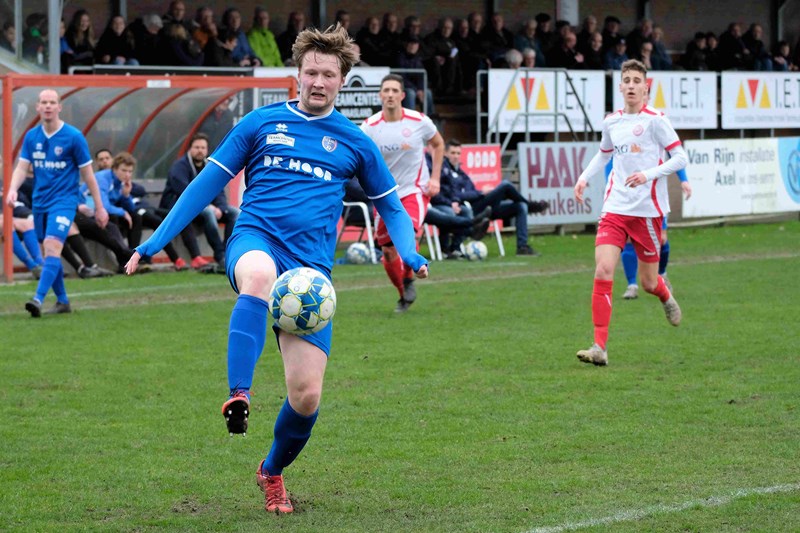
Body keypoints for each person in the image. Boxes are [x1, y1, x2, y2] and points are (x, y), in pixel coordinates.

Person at [125, 24, 428, 514]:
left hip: (310, 274)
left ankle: (271, 471)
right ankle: (238, 395)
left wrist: (410, 254)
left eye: (328, 74)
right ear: (298, 74)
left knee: (306, 396)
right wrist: (155, 241)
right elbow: (203, 187)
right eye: (310, 72)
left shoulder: (355, 141)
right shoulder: (260, 124)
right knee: (260, 278)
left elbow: (391, 207)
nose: (318, 81)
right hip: (255, 241)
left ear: (342, 81)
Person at [572, 59, 687, 366]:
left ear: (646, 87)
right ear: (620, 87)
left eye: (638, 80)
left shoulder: (656, 121)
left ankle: (665, 294)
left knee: (648, 282)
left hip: (647, 212)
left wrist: (648, 175)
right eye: (627, 80)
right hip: (615, 207)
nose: (632, 85)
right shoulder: (611, 122)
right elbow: (603, 154)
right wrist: (584, 177)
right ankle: (600, 346)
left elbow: (680, 157)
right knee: (603, 270)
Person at [5, 89, 109, 316]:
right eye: (44, 102)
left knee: (52, 248)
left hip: (64, 201)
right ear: (38, 107)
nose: (48, 106)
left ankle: (37, 299)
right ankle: (63, 301)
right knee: (49, 253)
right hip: (40, 202)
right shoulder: (32, 137)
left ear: (59, 107)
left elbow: (89, 175)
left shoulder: (73, 137)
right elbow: (22, 167)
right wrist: (12, 190)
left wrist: (100, 207)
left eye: (52, 102)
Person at [360, 73, 443, 312]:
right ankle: (404, 290)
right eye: (386, 90)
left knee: (410, 233)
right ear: (380, 95)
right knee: (387, 251)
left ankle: (412, 269)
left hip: (413, 190)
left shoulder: (419, 121)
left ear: (402, 96)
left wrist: (435, 178)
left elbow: (438, 144)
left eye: (395, 91)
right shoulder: (370, 127)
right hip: (384, 195)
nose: (390, 95)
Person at [445, 139, 547, 256]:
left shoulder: (462, 174)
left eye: (458, 153)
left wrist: (479, 193)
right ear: (446, 154)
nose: (456, 156)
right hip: (473, 211)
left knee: (520, 206)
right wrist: (481, 193)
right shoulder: (445, 172)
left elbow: (471, 192)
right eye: (453, 153)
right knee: (505, 185)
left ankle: (522, 247)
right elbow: (455, 195)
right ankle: (531, 206)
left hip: (485, 207)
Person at [162, 133, 238, 268]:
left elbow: (218, 188)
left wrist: (220, 207)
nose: (200, 151)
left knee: (234, 213)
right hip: (181, 208)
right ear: (190, 149)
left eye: (203, 148)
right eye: (196, 147)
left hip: (203, 209)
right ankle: (220, 255)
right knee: (209, 212)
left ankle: (228, 253)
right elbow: (185, 194)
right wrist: (209, 206)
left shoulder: (209, 166)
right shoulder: (179, 166)